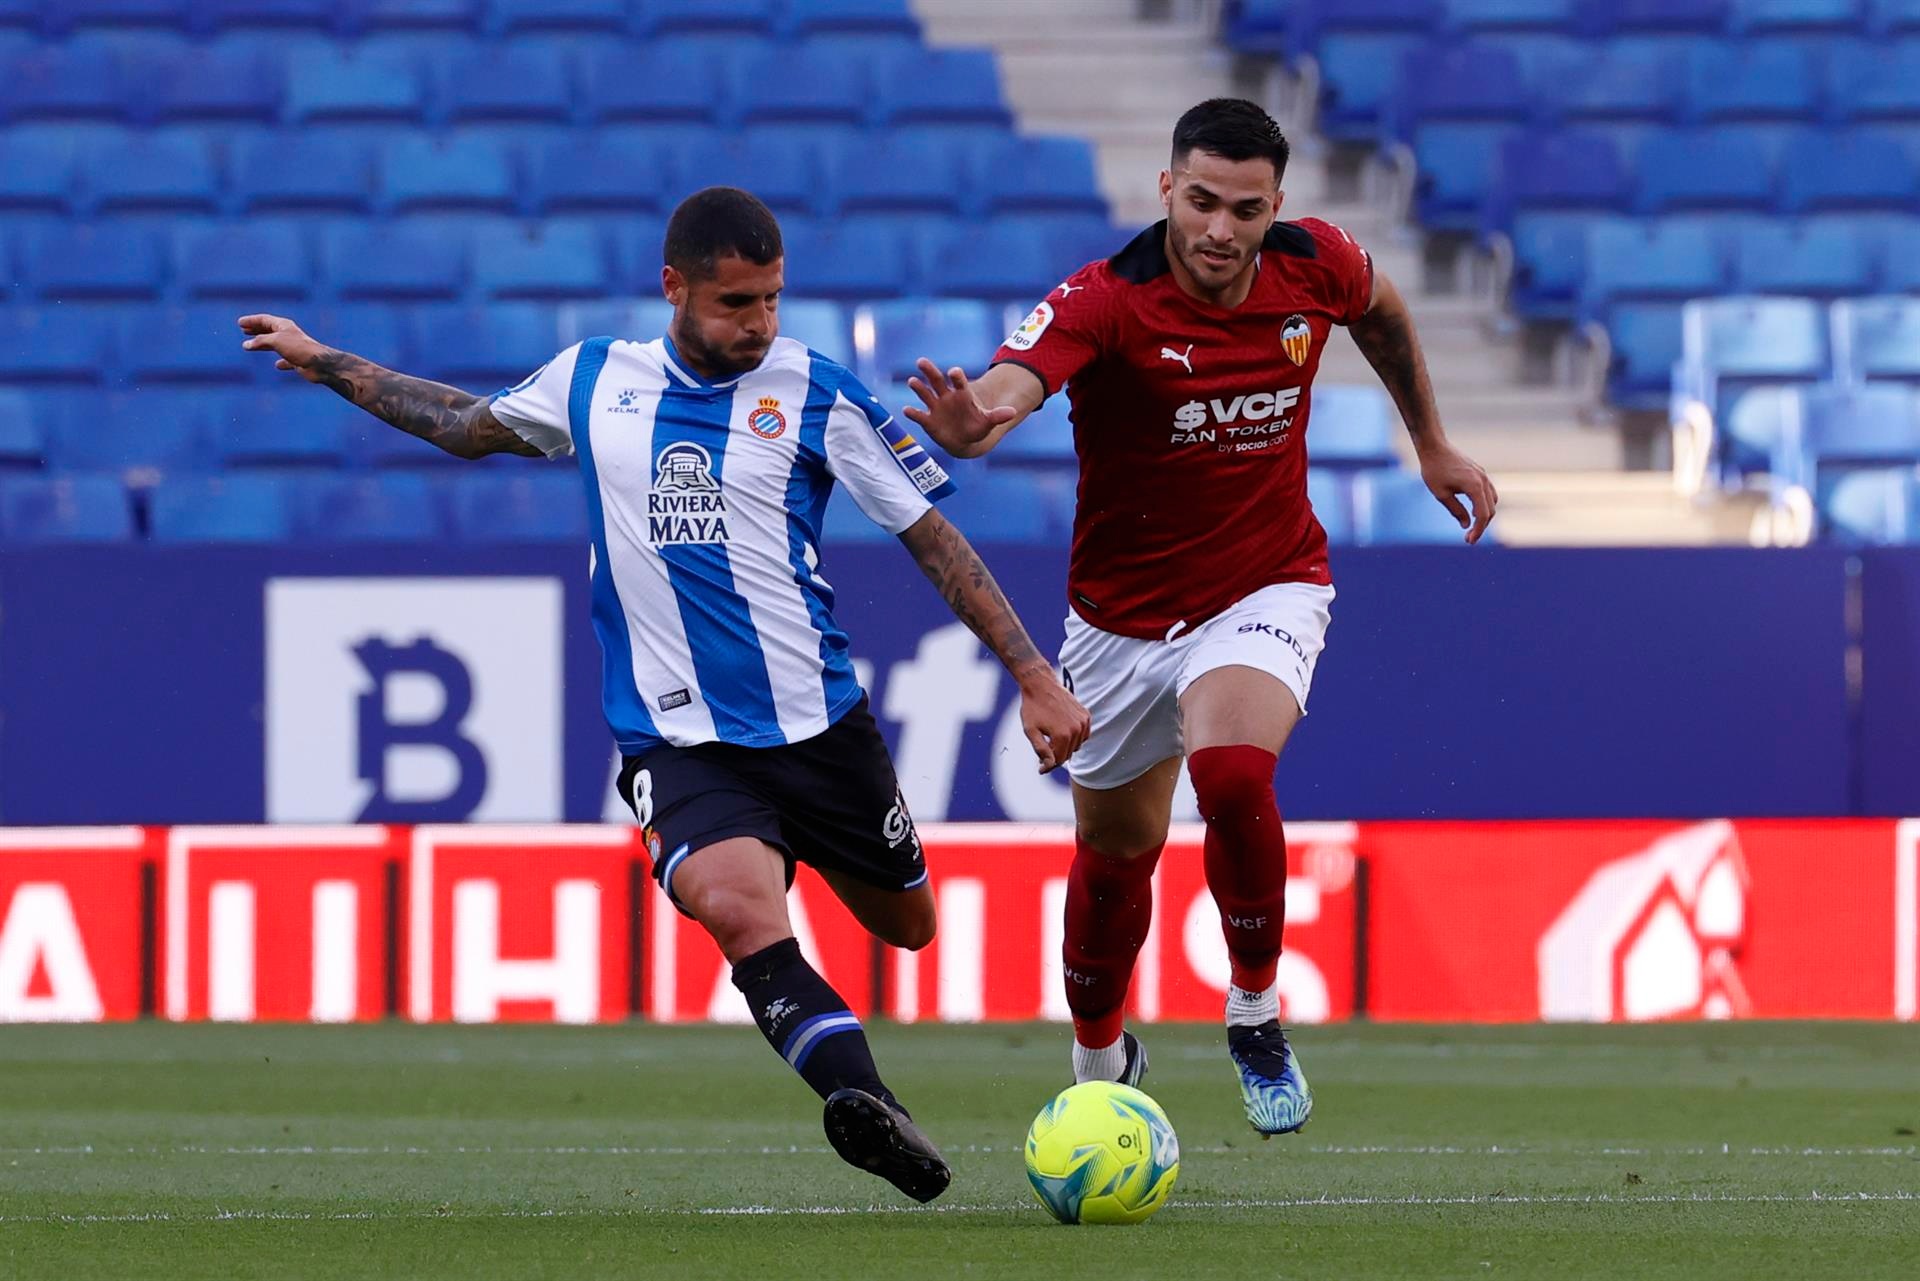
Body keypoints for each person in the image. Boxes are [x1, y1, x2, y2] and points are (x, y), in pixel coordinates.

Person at [238, 185, 1090, 1199]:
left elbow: (932, 539)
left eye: (772, 299)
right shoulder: (594, 379)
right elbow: (463, 425)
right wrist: (323, 359)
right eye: (736, 303)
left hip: (818, 728)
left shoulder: (816, 394)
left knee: (908, 926)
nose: (759, 322)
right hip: (676, 740)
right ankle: (868, 1104)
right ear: (674, 286)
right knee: (739, 913)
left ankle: (832, 941)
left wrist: (1033, 676)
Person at [904, 99, 1496, 1136]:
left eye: (1246, 210)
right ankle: (1101, 1060)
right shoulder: (1105, 298)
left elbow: (1383, 312)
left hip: (1265, 583)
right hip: (1119, 623)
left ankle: (1255, 1011)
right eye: (1203, 202)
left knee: (1230, 774)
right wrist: (980, 422)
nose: (1221, 230)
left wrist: (1431, 442)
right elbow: (1014, 382)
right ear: (1168, 188)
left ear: (1278, 206)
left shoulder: (1318, 263)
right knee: (1112, 862)